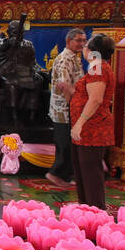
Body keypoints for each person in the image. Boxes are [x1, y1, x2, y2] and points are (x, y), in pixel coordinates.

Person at [69, 34, 116, 209]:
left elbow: (95, 99)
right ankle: (87, 212)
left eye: (86, 44)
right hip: (87, 129)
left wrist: (80, 122)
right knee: (84, 174)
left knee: (90, 175)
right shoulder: (98, 66)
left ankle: (95, 213)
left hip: (92, 128)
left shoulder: (97, 67)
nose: (84, 48)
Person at [47, 28, 87, 189]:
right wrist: (75, 106)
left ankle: (66, 175)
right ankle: (56, 173)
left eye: (84, 41)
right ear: (68, 41)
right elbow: (65, 86)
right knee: (64, 143)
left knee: (69, 142)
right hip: (63, 109)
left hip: (71, 107)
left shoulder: (75, 59)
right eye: (78, 40)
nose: (81, 44)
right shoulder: (65, 59)